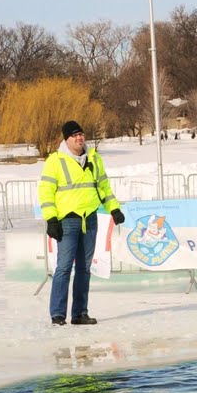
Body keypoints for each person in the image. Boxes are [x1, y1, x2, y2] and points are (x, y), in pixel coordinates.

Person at [38, 120, 124, 326]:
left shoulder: (94, 158)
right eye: (74, 135)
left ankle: (79, 313)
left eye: (81, 134)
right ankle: (58, 314)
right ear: (66, 139)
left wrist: (114, 208)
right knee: (64, 267)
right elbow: (46, 192)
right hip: (67, 220)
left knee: (85, 268)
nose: (79, 138)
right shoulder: (55, 161)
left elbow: (103, 187)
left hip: (90, 218)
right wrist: (51, 219)